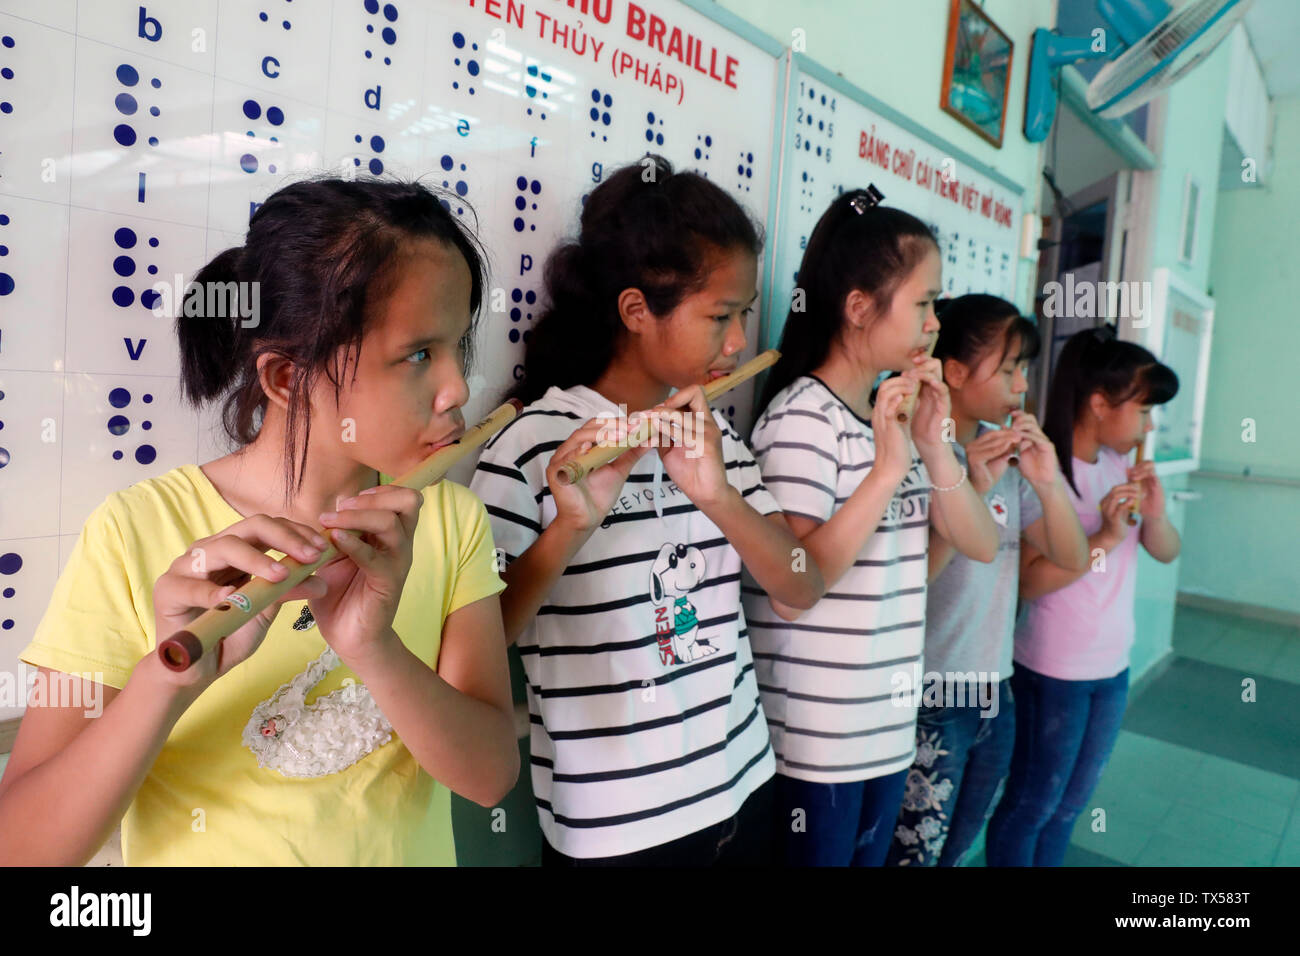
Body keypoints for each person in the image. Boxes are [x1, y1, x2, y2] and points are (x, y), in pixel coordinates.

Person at [0, 178, 518, 865]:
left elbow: (489, 779)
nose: (459, 389)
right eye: (418, 354)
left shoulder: (450, 518)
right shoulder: (137, 530)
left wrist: (373, 647)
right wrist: (166, 680)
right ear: (285, 378)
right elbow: (24, 852)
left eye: (458, 346)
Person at [471, 155, 823, 865]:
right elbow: (484, 638)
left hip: (743, 778)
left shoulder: (713, 433)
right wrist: (572, 526)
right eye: (720, 315)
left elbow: (800, 584)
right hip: (613, 826)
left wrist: (718, 495)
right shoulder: (533, 444)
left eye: (745, 314)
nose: (737, 343)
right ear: (636, 311)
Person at [745, 190, 1000, 866]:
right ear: (860, 308)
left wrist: (935, 445)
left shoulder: (891, 419)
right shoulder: (803, 418)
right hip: (816, 740)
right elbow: (795, 581)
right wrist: (887, 470)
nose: (934, 323)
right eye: (923, 303)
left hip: (884, 732)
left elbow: (976, 545)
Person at [883, 294, 1087, 866]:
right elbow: (904, 579)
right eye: (1009, 369)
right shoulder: (918, 457)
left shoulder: (1009, 465)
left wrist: (1046, 482)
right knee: (910, 855)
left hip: (996, 687)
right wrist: (969, 483)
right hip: (930, 690)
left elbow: (1072, 558)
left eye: (1023, 370)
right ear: (954, 372)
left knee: (955, 849)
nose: (1022, 385)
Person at [985, 323, 1180, 866]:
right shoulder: (1046, 472)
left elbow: (1165, 550)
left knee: (1071, 806)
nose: (1148, 424)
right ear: (1099, 403)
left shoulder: (1124, 468)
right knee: (1032, 804)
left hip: (1111, 667)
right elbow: (1029, 580)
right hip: (1053, 670)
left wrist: (1156, 513)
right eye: (1142, 410)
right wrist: (1105, 538)